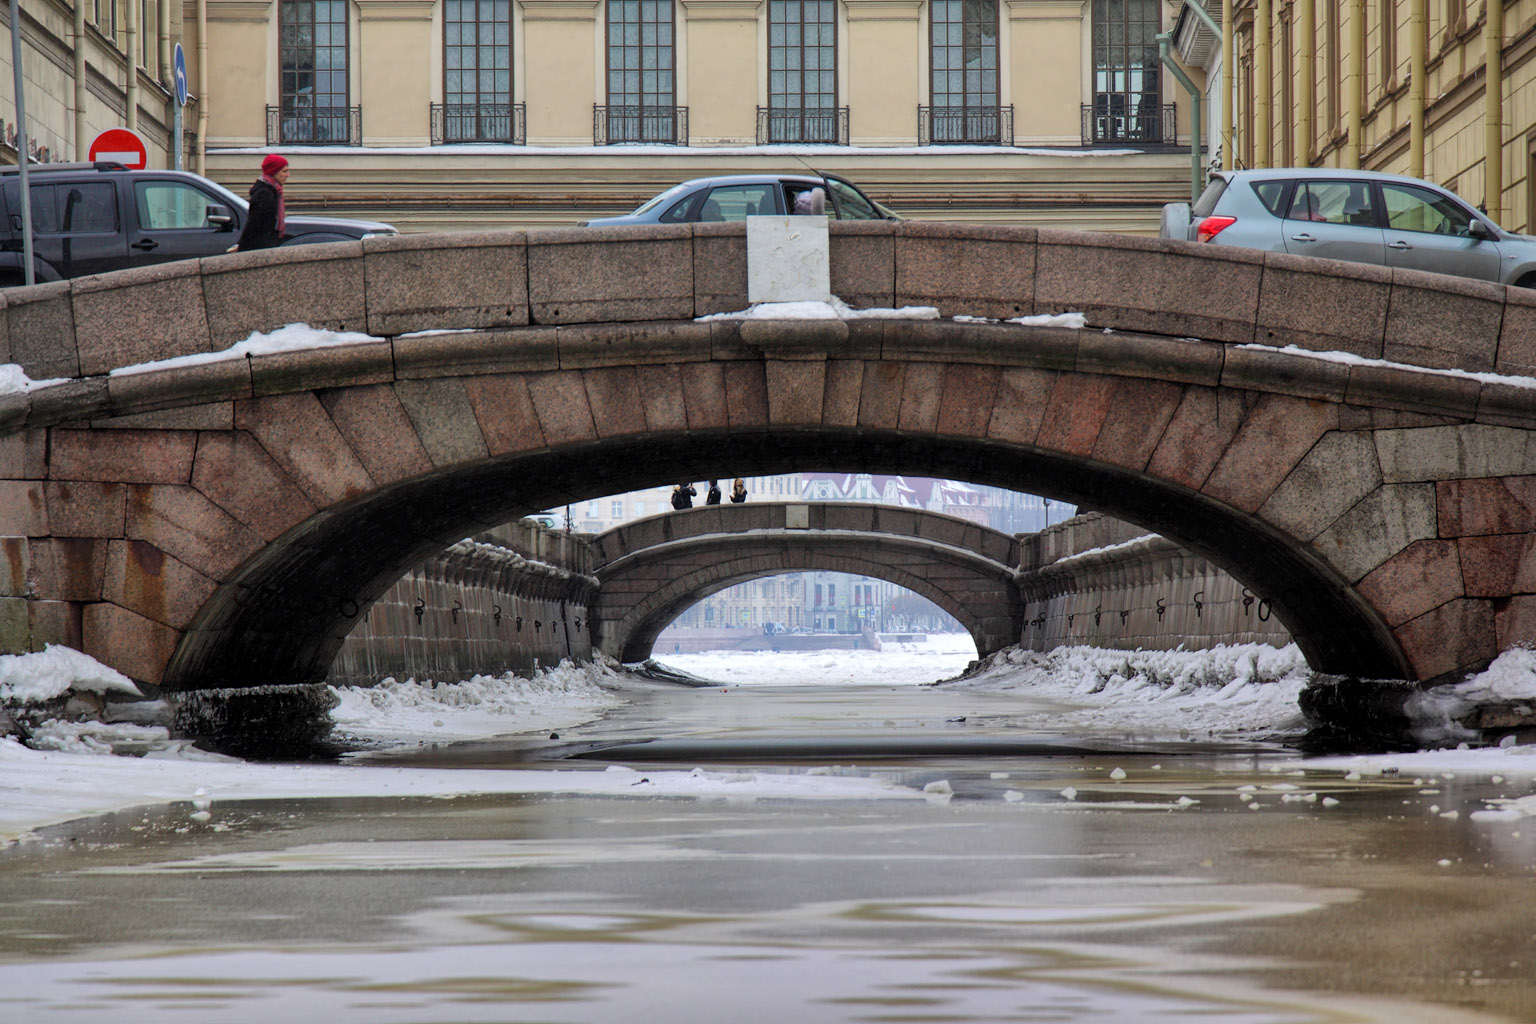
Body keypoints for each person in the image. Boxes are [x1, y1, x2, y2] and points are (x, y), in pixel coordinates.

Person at [235, 154, 291, 251]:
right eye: (284, 171)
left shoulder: (273, 191)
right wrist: (242, 247)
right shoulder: (265, 194)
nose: (288, 174)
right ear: (273, 172)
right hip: (261, 249)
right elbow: (254, 224)